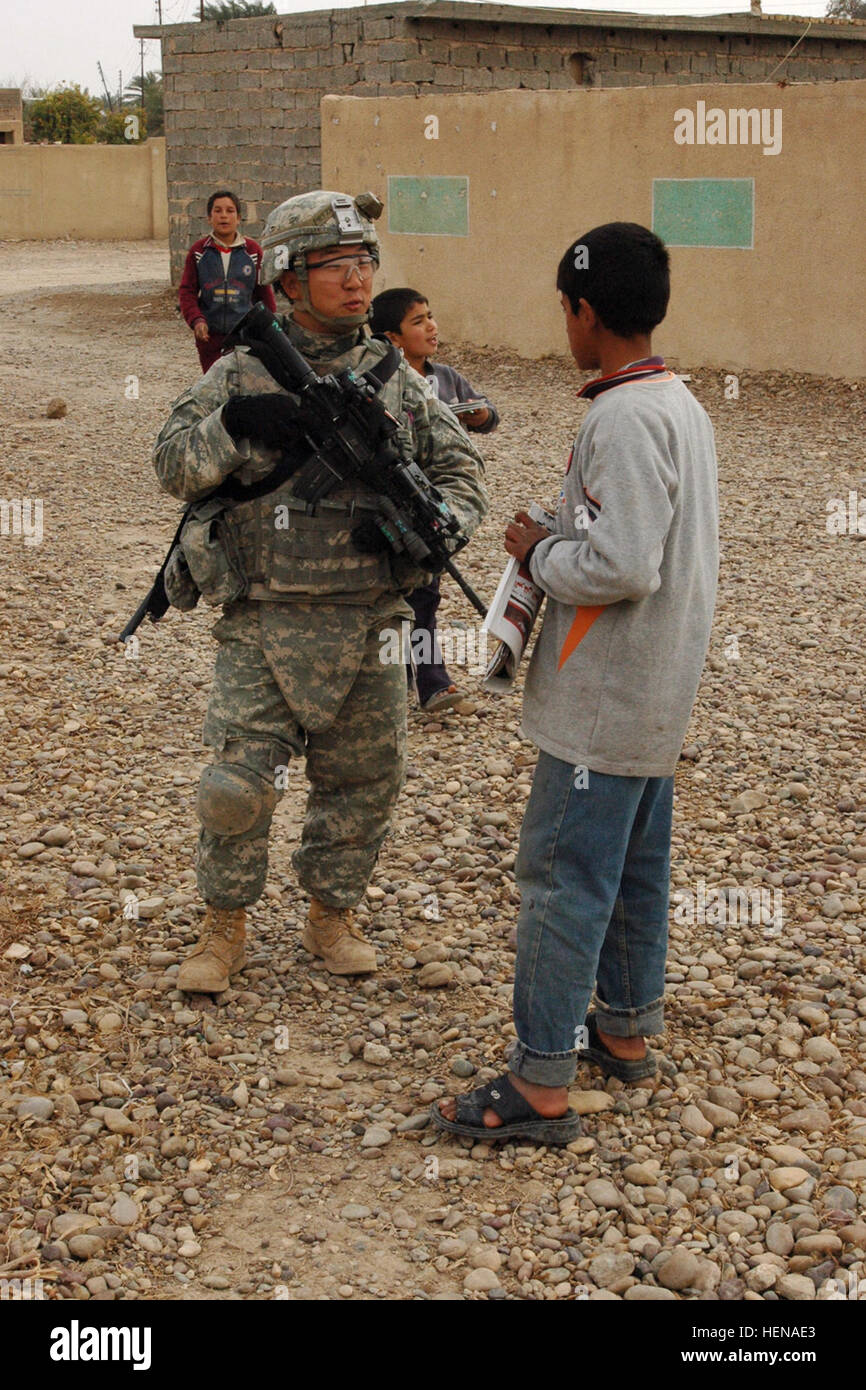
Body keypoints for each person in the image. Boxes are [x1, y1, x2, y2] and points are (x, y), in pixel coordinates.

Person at [154, 191, 487, 993]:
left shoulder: (398, 380)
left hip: (370, 617)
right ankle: (223, 927)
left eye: (365, 263)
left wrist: (425, 529)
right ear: (288, 278)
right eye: (336, 266)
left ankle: (331, 914)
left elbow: (463, 477)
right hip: (263, 617)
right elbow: (171, 465)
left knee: (365, 781)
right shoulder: (241, 371)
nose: (356, 280)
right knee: (237, 785)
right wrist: (238, 424)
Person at [433, 222, 719, 1144]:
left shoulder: (622, 417)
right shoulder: (677, 401)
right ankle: (625, 1031)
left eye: (565, 309)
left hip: (603, 697)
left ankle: (541, 1082)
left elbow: (624, 564)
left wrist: (538, 550)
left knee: (561, 876)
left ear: (585, 312)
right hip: (652, 691)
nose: (565, 323)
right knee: (634, 867)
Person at [370, 288, 499, 713]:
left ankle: (426, 680)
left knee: (424, 592)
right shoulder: (378, 381)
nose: (431, 326)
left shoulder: (444, 378)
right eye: (418, 321)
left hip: (436, 507)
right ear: (393, 338)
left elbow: (486, 414)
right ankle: (416, 678)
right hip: (389, 502)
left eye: (431, 317)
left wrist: (480, 415)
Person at [178, 189, 277, 374]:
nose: (224, 216)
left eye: (230, 211)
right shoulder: (199, 252)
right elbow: (187, 291)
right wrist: (197, 320)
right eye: (218, 211)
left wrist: (270, 327)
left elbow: (263, 293)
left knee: (243, 384)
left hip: (244, 336)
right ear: (209, 217)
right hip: (210, 338)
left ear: (238, 218)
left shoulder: (253, 252)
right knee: (214, 385)